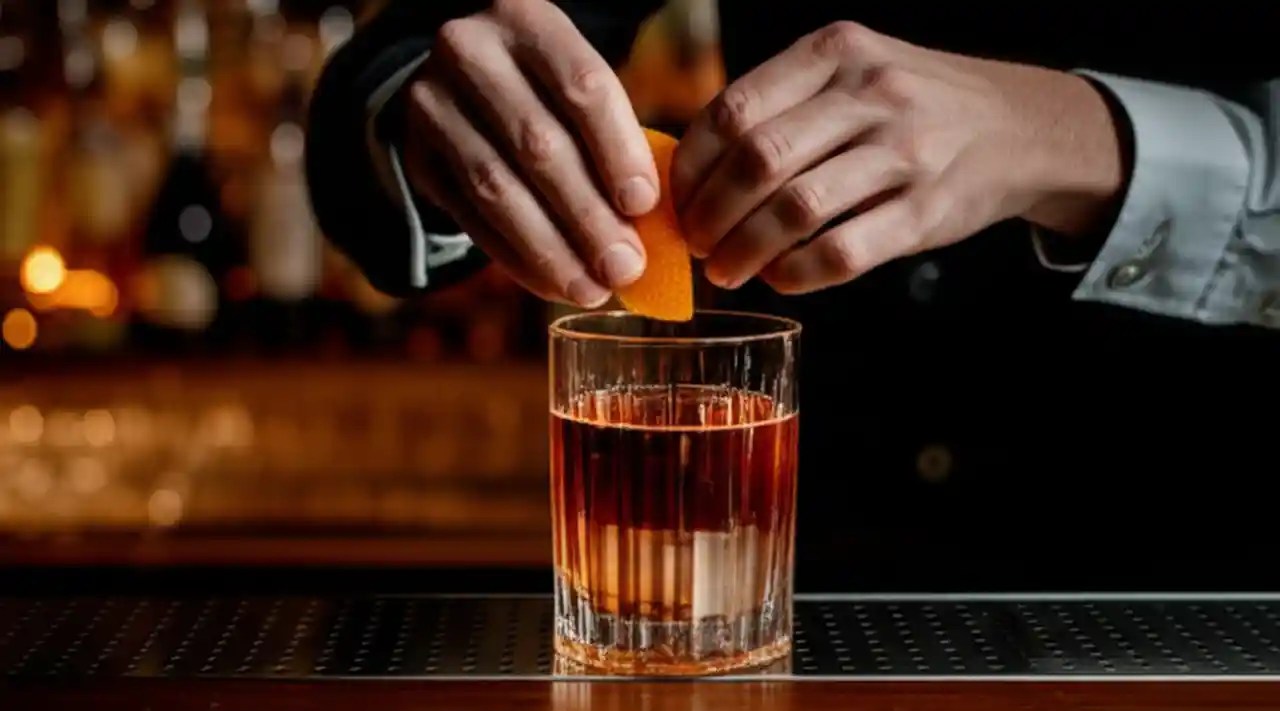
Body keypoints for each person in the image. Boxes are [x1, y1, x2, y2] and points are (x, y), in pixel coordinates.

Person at [307, 1, 1280, 591]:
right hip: (796, 588)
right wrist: (439, 119)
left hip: (1203, 589)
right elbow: (397, 65)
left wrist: (1070, 136)